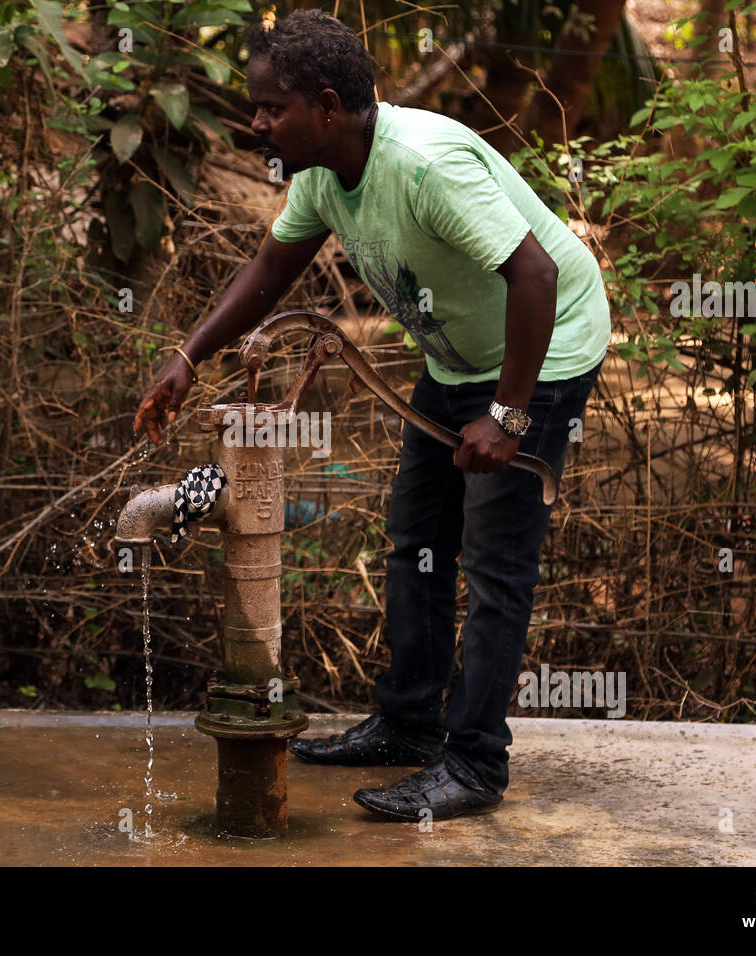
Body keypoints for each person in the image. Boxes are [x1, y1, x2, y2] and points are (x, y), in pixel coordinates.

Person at [133, 9, 609, 822]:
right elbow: (271, 268)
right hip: (457, 356)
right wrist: (189, 355)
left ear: (325, 105)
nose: (255, 124)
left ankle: (474, 763)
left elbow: (536, 276)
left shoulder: (425, 168)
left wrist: (509, 415)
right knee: (416, 540)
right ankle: (408, 724)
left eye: (269, 108)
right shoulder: (318, 173)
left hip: (544, 349)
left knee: (496, 565)